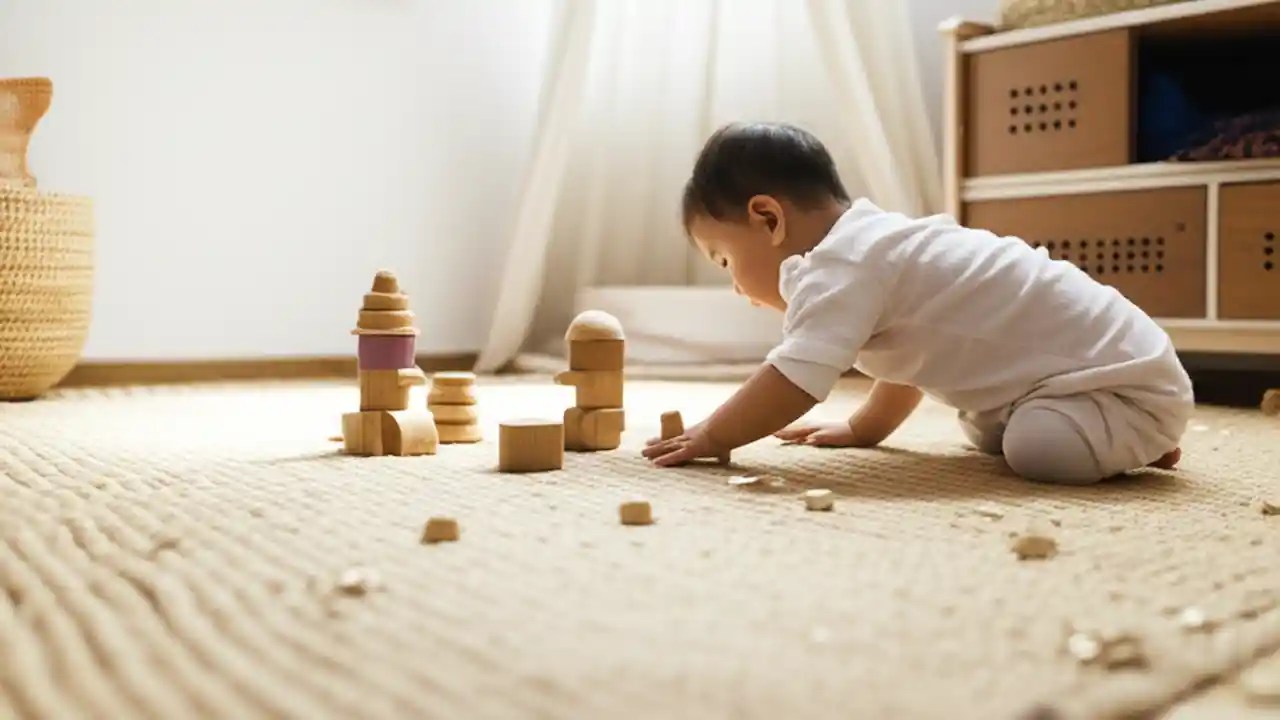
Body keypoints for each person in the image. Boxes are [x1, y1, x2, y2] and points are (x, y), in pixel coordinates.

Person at [641, 122, 1192, 484]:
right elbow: (910, 361)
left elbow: (794, 379)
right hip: (1097, 376)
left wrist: (713, 434)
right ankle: (1127, 435)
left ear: (768, 219)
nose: (736, 288)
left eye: (724, 261)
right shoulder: (873, 250)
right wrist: (864, 428)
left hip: (1122, 380)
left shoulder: (841, 266)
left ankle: (1135, 434)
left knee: (1036, 450)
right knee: (984, 430)